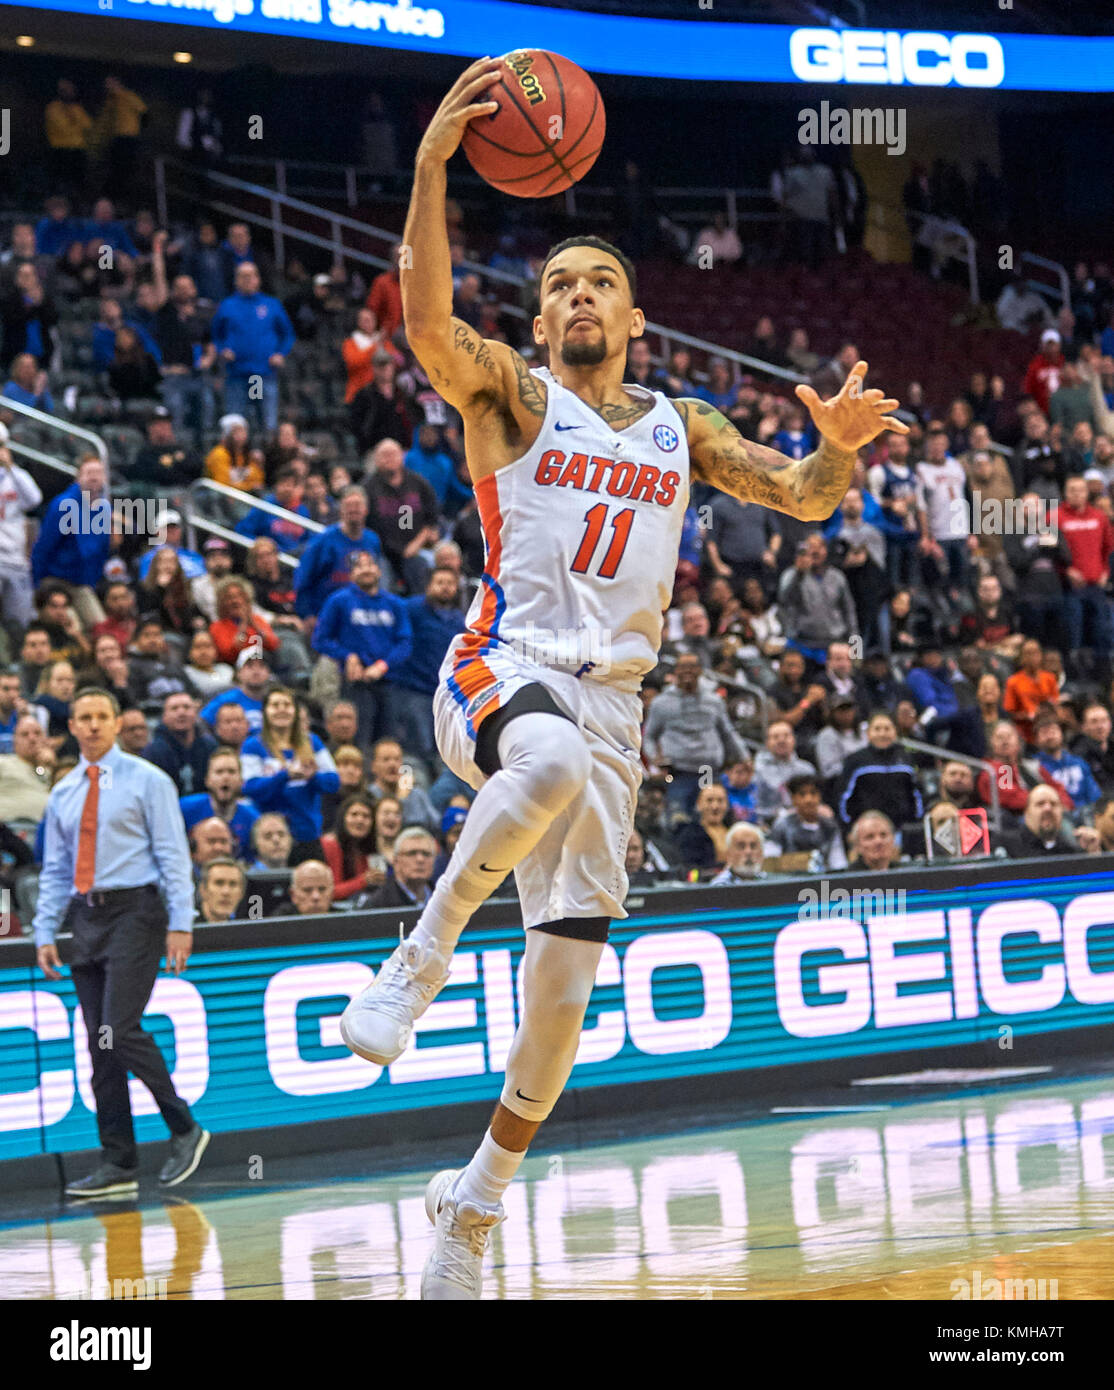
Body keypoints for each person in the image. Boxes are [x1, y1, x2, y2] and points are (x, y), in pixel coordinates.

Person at [337, 55, 907, 1304]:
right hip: (501, 666)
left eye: (601, 282)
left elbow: (803, 497)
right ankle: (418, 958)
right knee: (533, 759)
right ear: (537, 322)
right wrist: (433, 166)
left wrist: (834, 449)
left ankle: (473, 1203)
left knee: (561, 998)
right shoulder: (509, 391)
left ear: (636, 318)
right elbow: (426, 324)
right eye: (558, 286)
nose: (579, 296)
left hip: (616, 715)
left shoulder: (681, 430)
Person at [32, 687, 208, 1198]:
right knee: (99, 1045)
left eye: (101, 717)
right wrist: (45, 929)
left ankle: (184, 1128)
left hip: (138, 910)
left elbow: (174, 853)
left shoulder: (148, 780)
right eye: (82, 718)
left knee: (119, 1026)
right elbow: (56, 869)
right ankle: (118, 1161)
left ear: (115, 722)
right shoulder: (63, 791)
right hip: (87, 917)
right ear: (71, 727)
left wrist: (182, 923)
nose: (91, 725)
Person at [312, 550, 412, 748]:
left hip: (389, 682)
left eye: (370, 565)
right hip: (354, 682)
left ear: (379, 570)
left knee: (390, 740)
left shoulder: (395, 604)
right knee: (359, 740)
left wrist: (384, 665)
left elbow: (405, 643)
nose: (365, 569)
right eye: (359, 566)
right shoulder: (339, 601)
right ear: (351, 574)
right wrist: (347, 656)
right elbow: (320, 639)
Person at [642, 654, 746, 815]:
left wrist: (743, 757)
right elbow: (649, 736)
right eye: (683, 667)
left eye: (692, 667)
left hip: (708, 770)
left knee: (711, 817)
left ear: (700, 670)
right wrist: (654, 758)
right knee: (680, 819)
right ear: (676, 671)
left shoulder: (714, 701)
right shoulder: (661, 703)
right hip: (678, 772)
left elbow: (727, 732)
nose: (687, 671)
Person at [241, 685, 339, 853]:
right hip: (270, 836)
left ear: (295, 711)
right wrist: (285, 776)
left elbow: (333, 782)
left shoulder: (313, 742)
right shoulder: (253, 746)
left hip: (307, 834)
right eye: (275, 705)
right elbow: (250, 788)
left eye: (286, 705)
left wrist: (313, 777)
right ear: (265, 712)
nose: (281, 710)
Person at [210, 263, 294, 433]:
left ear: (258, 279)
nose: (248, 279)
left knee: (265, 422)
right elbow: (215, 335)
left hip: (261, 375)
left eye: (251, 275)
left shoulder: (271, 304)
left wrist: (280, 354)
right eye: (243, 275)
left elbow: (288, 335)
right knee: (235, 424)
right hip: (236, 374)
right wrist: (222, 350)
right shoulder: (227, 305)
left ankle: (266, 456)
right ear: (236, 280)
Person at [30, 457, 111, 631]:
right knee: (70, 627)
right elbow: (44, 547)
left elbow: (102, 551)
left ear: (104, 478)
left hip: (82, 583)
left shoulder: (104, 508)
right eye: (89, 473)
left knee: (101, 628)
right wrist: (39, 584)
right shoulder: (63, 505)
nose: (94, 477)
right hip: (55, 580)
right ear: (78, 478)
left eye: (98, 473)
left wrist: (92, 581)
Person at [293, 487, 383, 621]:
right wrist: (307, 615)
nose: (353, 509)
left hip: (362, 615)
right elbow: (303, 577)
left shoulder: (373, 540)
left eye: (357, 505)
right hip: (325, 614)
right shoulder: (323, 540)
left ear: (366, 510)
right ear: (341, 510)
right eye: (349, 505)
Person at [180, 746, 259, 859]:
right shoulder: (185, 809)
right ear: (207, 780)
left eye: (231, 772)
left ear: (241, 781)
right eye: (219, 772)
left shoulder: (252, 818)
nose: (225, 777)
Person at [0, 442, 43, 631]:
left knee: (19, 624)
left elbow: (34, 499)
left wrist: (11, 467)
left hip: (15, 560)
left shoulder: (16, 476)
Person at [142, 691, 218, 798]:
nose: (181, 713)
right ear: (164, 716)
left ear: (196, 713)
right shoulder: (153, 752)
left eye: (186, 707)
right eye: (174, 708)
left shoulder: (210, 747)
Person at [765, 772, 848, 870]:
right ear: (793, 799)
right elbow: (770, 860)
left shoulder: (830, 827)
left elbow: (838, 862)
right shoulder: (782, 825)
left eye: (813, 793)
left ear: (820, 797)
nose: (808, 800)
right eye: (802, 794)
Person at [320, 792, 387, 900]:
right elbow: (330, 892)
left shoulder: (366, 849)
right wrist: (364, 881)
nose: (360, 820)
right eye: (354, 814)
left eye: (366, 816)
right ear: (343, 818)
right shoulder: (330, 845)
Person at [358, 826, 438, 909]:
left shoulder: (443, 897)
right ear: (396, 862)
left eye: (426, 854)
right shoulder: (377, 904)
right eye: (411, 853)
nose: (420, 859)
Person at [199, 650, 271, 734]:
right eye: (249, 666)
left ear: (269, 673)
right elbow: (202, 722)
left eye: (261, 666)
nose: (256, 671)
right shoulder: (224, 700)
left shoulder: (276, 701)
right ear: (238, 673)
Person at [1002, 784, 1080, 859]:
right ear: (1026, 812)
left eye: (1053, 804)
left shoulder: (1072, 852)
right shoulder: (1005, 846)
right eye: (1040, 804)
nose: (1048, 808)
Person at [0, 714, 53, 822]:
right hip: (8, 830)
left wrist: (52, 766)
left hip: (42, 832)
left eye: (37, 733)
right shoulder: (3, 763)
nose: (32, 738)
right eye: (25, 734)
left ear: (45, 739)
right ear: (15, 741)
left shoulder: (48, 770)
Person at [196, 857, 246, 924]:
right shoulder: (183, 926)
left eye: (233, 884)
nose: (226, 892)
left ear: (241, 893)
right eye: (219, 883)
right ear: (203, 890)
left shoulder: (246, 928)